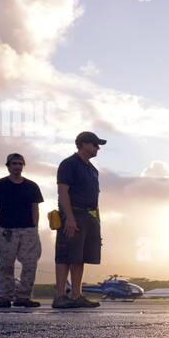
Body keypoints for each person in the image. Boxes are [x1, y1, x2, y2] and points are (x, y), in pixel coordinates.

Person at [53, 131, 105, 309]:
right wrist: (68, 218)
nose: (97, 148)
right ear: (83, 144)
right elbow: (63, 192)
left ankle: (76, 295)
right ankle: (60, 296)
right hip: (73, 215)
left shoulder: (92, 169)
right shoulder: (69, 164)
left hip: (90, 217)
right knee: (65, 256)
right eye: (95, 144)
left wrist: (97, 221)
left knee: (79, 257)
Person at [0, 153, 44, 308]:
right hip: (6, 230)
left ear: (23, 166)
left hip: (28, 230)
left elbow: (35, 208)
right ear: (8, 166)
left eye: (20, 163)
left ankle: (24, 297)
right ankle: (4, 296)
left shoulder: (31, 186)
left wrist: (35, 228)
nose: (17, 166)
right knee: (5, 264)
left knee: (30, 263)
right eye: (14, 163)